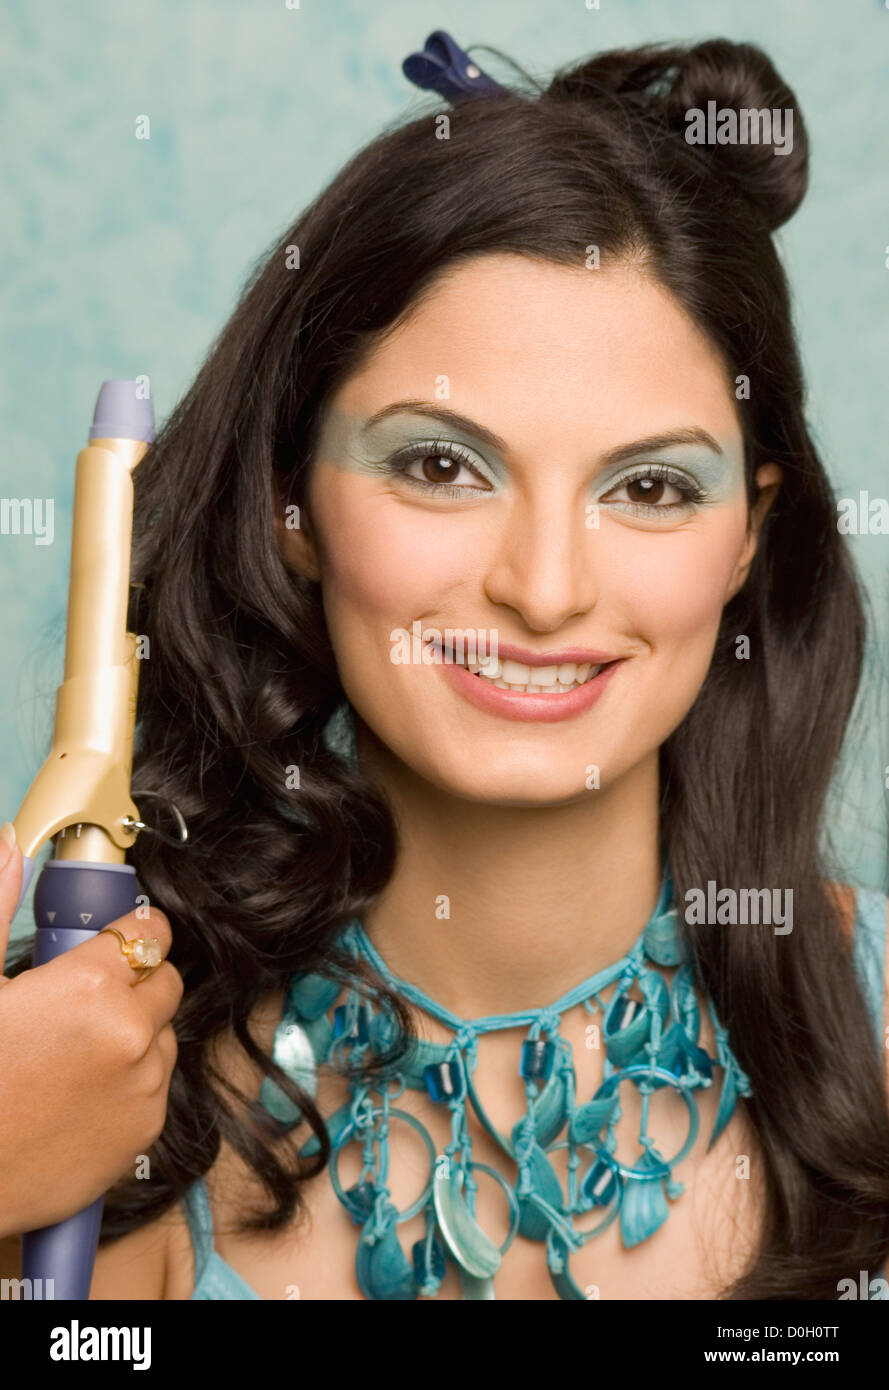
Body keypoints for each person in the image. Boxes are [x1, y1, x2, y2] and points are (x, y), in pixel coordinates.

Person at [3, 32, 889, 1301]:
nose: (542, 587)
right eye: (438, 465)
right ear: (288, 505)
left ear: (749, 533)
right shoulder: (90, 1108)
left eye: (647, 486)